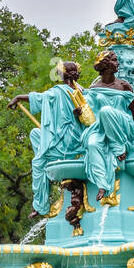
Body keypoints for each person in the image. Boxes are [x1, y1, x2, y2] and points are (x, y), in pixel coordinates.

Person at [8, 62, 86, 217]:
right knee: (35, 133)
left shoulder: (59, 91)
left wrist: (17, 97)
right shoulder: (83, 91)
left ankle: (40, 206)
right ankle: (45, 158)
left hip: (67, 142)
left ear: (63, 75)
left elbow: (38, 98)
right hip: (76, 137)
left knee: (38, 163)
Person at [82, 50, 134, 201]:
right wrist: (79, 112)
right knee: (92, 143)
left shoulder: (123, 85)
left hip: (122, 125)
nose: (118, 63)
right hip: (101, 125)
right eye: (114, 60)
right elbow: (90, 112)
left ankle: (118, 147)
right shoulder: (94, 89)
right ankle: (102, 184)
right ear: (106, 65)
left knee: (106, 111)